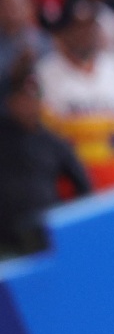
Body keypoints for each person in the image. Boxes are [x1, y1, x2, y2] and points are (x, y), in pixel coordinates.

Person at [36, 0, 114, 191]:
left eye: (91, 26)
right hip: (70, 187)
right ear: (62, 32)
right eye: (79, 27)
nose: (87, 33)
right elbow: (45, 134)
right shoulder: (45, 73)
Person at [0, 66, 91, 259]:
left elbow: (83, 188)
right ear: (10, 102)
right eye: (23, 98)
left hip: (44, 240)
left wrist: (67, 224)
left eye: (34, 98)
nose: (29, 104)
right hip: (5, 242)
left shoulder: (53, 143)